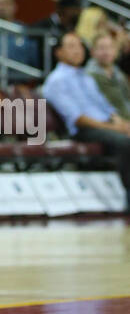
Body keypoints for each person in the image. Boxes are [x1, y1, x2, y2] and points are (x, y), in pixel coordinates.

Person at [43, 31, 130, 206]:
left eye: (80, 46)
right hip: (84, 130)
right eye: (71, 46)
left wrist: (122, 123)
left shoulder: (86, 77)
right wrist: (114, 128)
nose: (78, 50)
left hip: (104, 126)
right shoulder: (56, 81)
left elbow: (106, 108)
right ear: (58, 52)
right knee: (125, 142)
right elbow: (78, 119)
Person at [87, 32, 130, 121]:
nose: (107, 52)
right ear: (93, 51)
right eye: (102, 48)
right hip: (115, 124)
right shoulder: (90, 76)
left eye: (110, 47)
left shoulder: (117, 72)